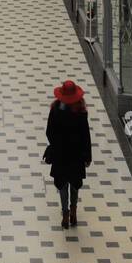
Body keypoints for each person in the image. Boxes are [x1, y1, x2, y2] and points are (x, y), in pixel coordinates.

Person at [45, 80, 92, 229]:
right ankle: (74, 211)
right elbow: (86, 136)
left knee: (63, 184)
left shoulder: (55, 110)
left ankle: (65, 212)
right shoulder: (81, 113)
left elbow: (49, 132)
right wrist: (87, 156)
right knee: (75, 183)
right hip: (76, 155)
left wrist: (56, 145)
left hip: (60, 154)